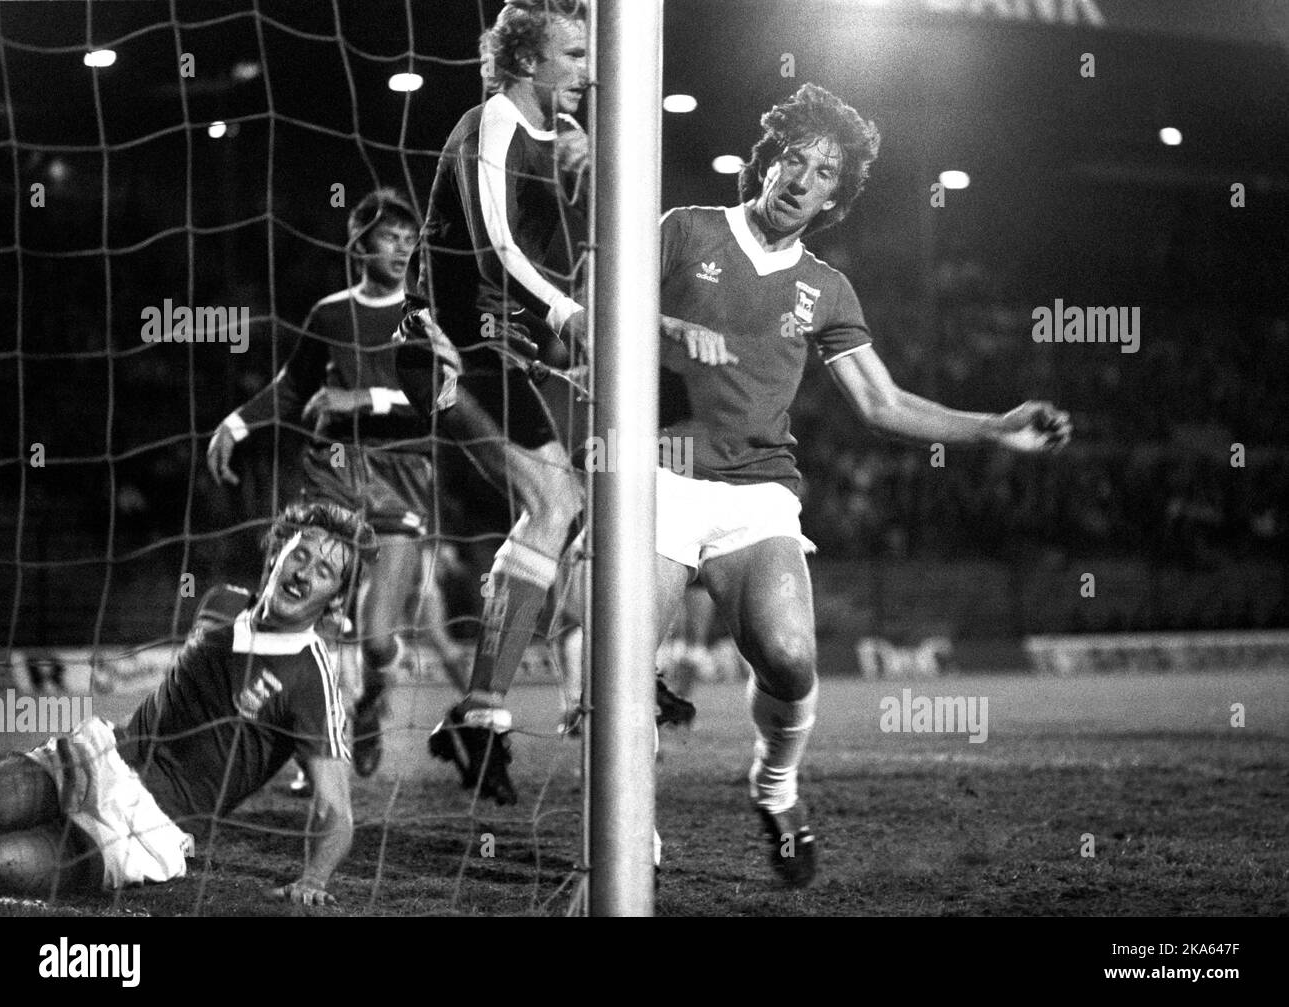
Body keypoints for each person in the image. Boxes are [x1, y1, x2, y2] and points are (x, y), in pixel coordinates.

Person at [651, 83, 1072, 887]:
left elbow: (883, 402)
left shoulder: (827, 288)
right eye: (793, 158)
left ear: (836, 197)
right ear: (768, 161)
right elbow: (605, 307)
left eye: (822, 171)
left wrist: (993, 425)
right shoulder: (687, 229)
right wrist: (668, 329)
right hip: (657, 473)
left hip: (756, 491)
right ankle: (631, 837)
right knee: (628, 670)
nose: (800, 177)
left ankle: (775, 785)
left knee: (791, 657)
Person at [396, 0, 690, 807]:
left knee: (575, 507)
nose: (590, 70)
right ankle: (543, 691)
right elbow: (494, 244)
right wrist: (567, 316)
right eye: (572, 54)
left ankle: (496, 703)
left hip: (506, 348)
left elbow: (554, 263)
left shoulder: (549, 142)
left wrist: (581, 185)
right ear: (526, 62)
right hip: (456, 345)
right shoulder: (493, 118)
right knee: (558, 503)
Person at [0, 502, 376, 906]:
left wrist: (313, 878)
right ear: (278, 550)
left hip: (146, 825)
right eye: (301, 554)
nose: (303, 573)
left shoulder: (311, 678)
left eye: (324, 571)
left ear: (335, 600)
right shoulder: (220, 603)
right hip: (102, 756)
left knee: (0, 864)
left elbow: (336, 810)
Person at [206, 188, 438, 779]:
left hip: (403, 474)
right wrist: (235, 424)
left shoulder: (425, 314)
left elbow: (441, 401)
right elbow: (292, 385)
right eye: (390, 238)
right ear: (360, 244)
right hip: (333, 465)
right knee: (303, 607)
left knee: (378, 637)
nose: (402, 249)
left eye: (410, 241)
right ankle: (308, 748)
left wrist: (369, 395)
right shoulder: (331, 314)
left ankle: (371, 703)